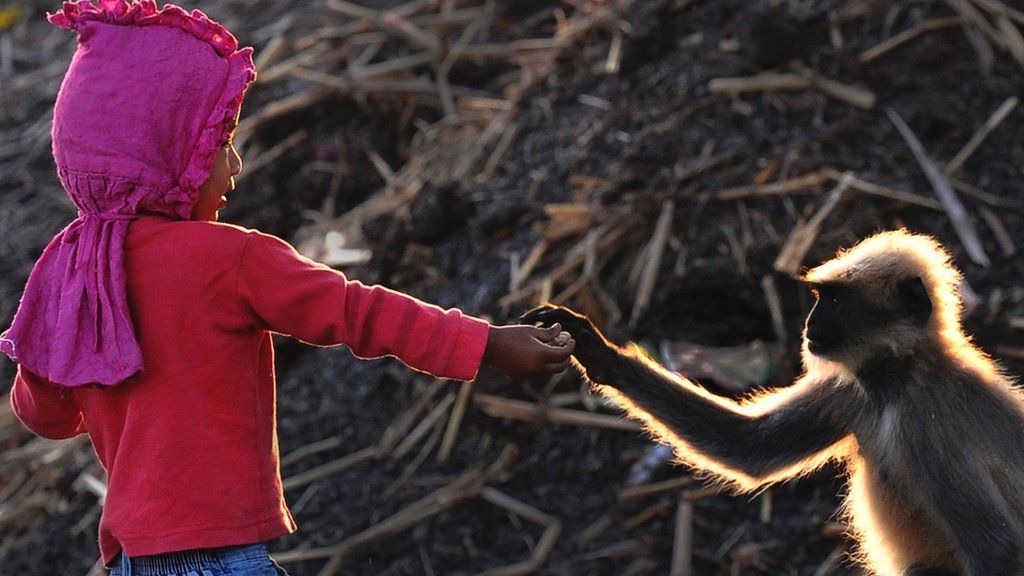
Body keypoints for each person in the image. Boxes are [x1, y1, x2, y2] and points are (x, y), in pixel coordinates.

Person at [1, 2, 574, 574]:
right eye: (219, 141)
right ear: (165, 154)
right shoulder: (231, 260)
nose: (236, 164)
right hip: (219, 561)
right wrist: (487, 343)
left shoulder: (68, 270)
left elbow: (45, 414)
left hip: (130, 560)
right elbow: (358, 312)